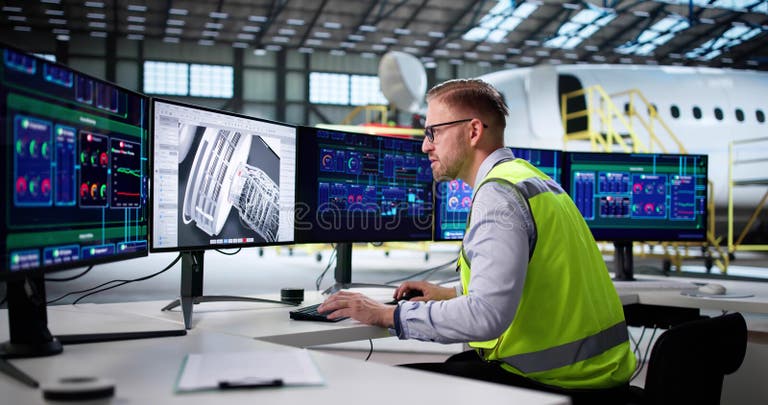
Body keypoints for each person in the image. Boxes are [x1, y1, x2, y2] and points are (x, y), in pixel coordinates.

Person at [318, 79, 636, 398]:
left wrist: (386, 314)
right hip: (597, 373)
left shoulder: (498, 196)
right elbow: (532, 276)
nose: (425, 145)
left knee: (381, 388)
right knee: (455, 364)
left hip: (559, 381)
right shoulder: (533, 180)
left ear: (473, 131)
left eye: (433, 133)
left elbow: (486, 317)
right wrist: (449, 293)